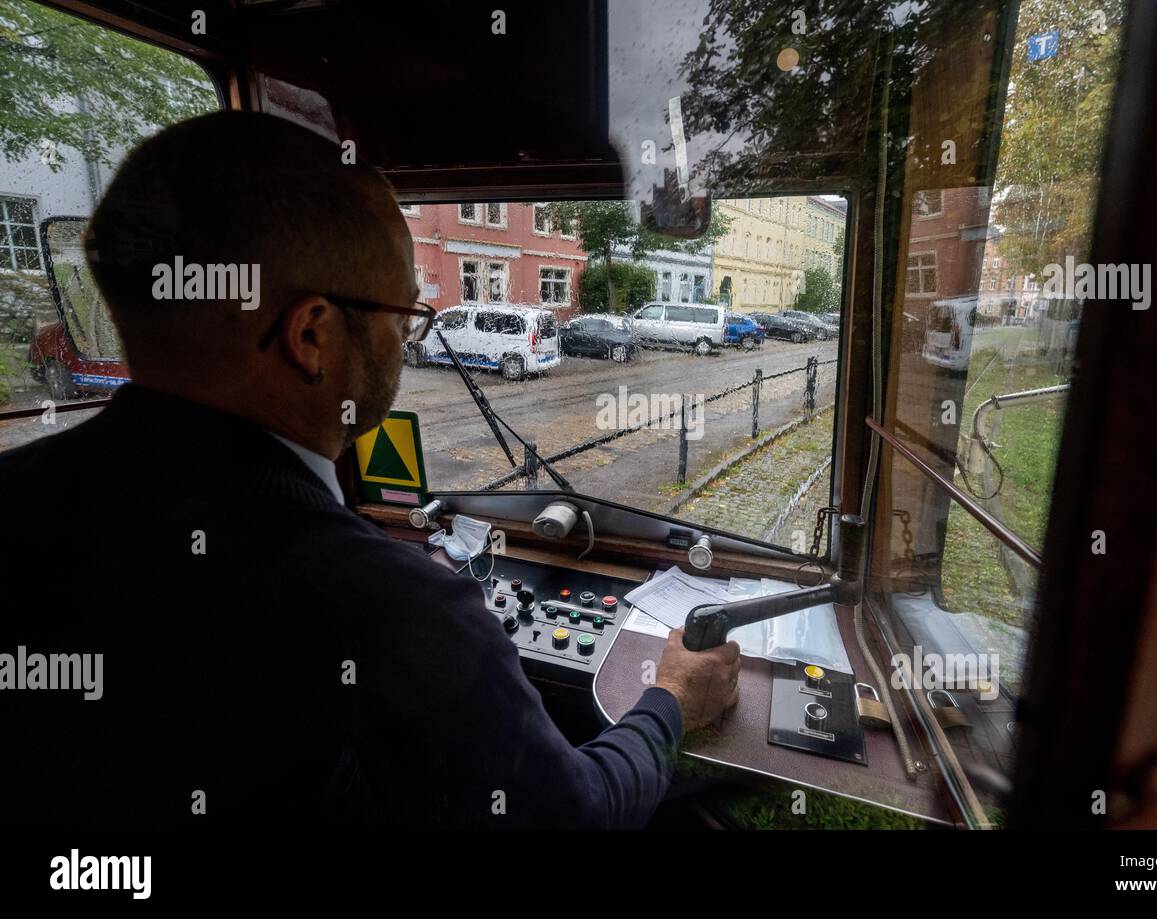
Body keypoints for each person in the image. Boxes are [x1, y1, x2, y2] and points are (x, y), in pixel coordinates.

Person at [0, 111, 740, 829]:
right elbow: (579, 812)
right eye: (403, 313)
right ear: (312, 335)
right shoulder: (398, 610)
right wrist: (670, 696)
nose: (411, 336)